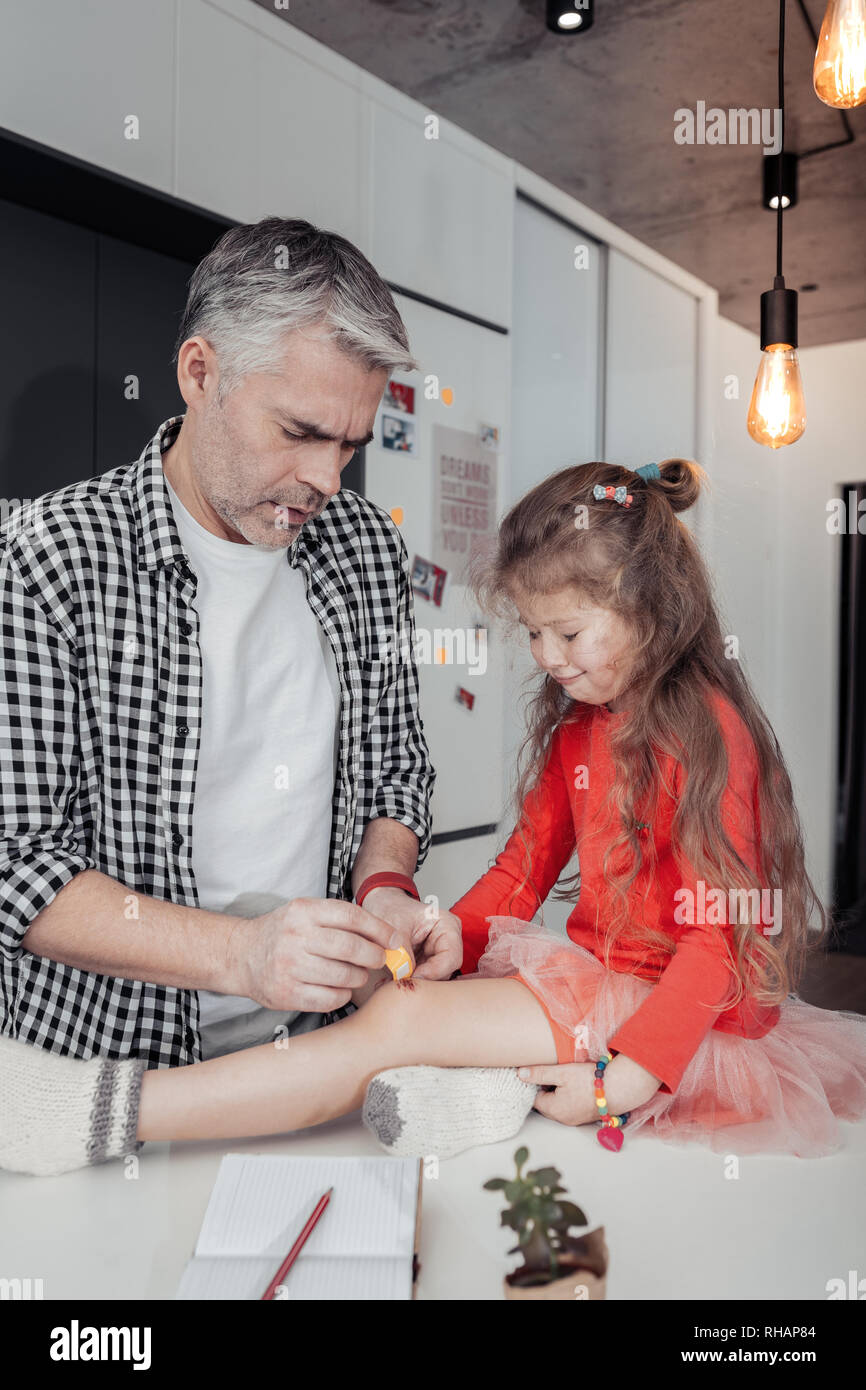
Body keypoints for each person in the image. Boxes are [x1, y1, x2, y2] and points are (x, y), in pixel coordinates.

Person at [4, 456, 866, 1176]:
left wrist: (631, 1073)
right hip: (610, 975)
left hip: (681, 1011)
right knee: (410, 987)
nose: (548, 659)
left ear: (652, 611)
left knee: (396, 1025)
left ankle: (103, 1112)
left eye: (567, 634)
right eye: (532, 635)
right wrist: (457, 931)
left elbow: (720, 938)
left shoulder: (707, 734)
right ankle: (490, 1093)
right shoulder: (583, 725)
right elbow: (525, 869)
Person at [0, 216, 450, 1074]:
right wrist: (243, 955)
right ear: (199, 374)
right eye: (300, 432)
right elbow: (17, 868)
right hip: (99, 1073)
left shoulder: (364, 548)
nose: (328, 480)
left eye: (350, 445)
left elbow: (396, 770)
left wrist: (386, 888)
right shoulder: (45, 561)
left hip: (316, 1058)